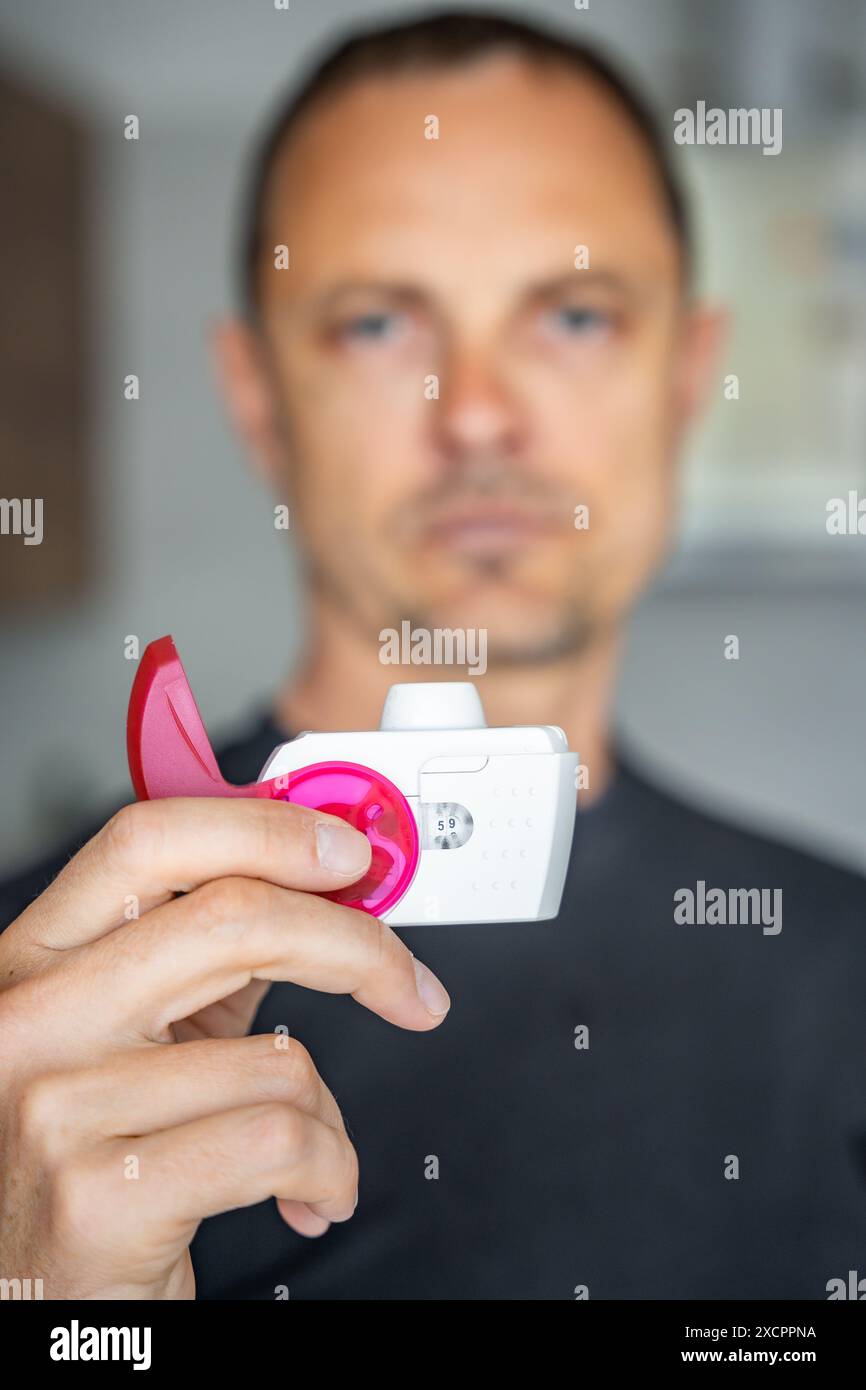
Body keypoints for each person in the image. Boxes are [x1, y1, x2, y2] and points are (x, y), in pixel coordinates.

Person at [1, 9, 864, 1302]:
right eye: (375, 325)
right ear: (257, 399)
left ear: (687, 379)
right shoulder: (24, 1009)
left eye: (571, 315)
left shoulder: (842, 971)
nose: (472, 412)